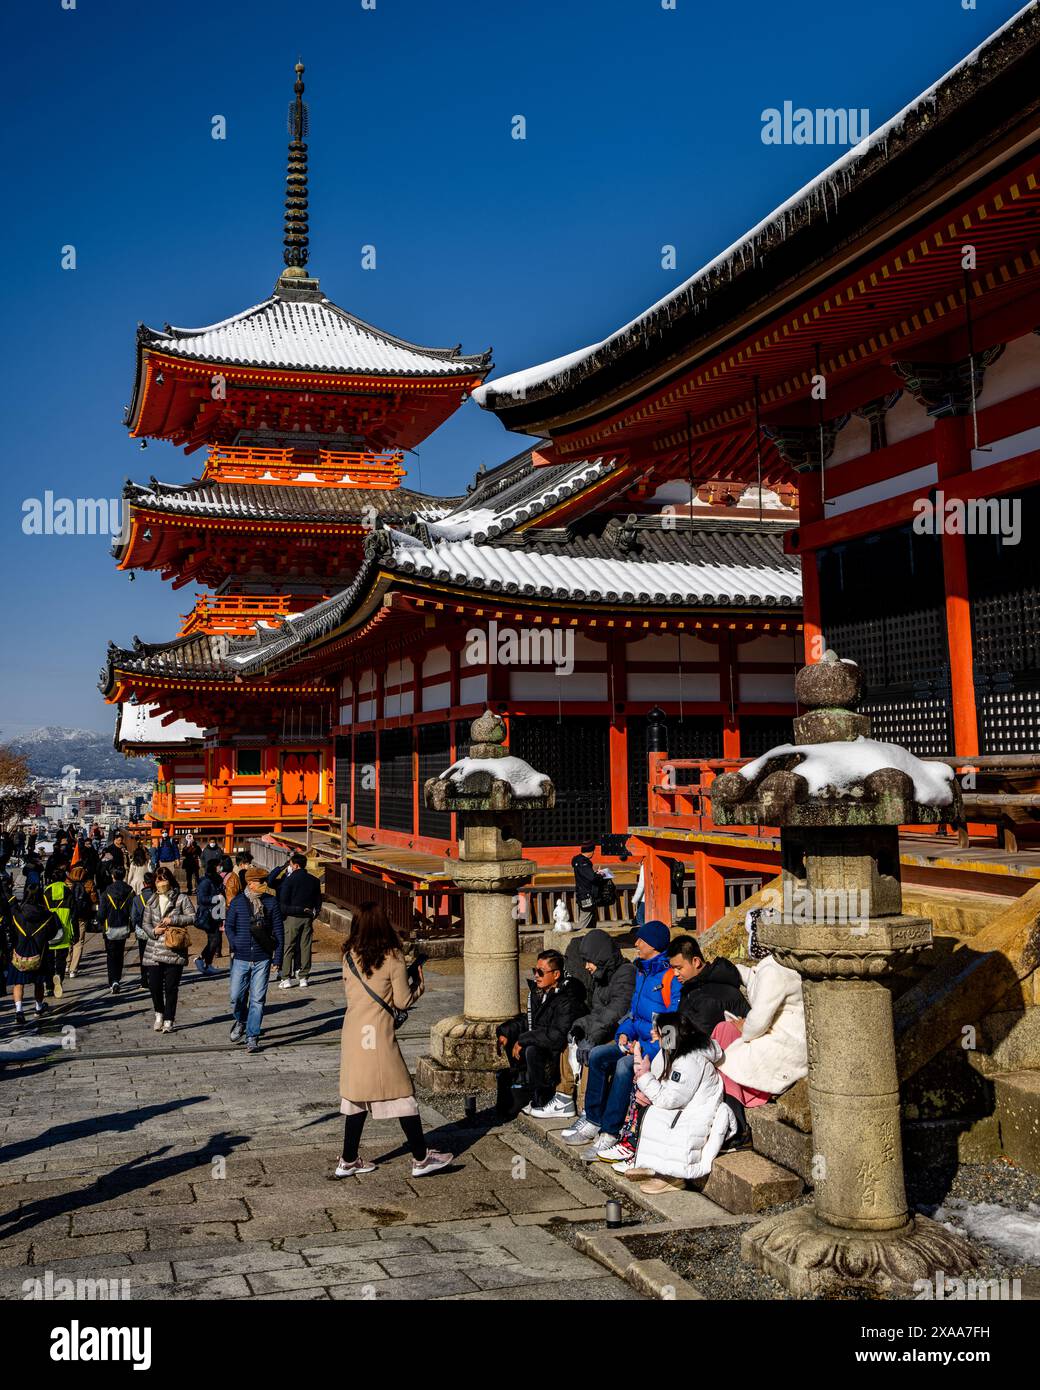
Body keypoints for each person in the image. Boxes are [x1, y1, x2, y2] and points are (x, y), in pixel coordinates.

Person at [337, 903, 451, 1179]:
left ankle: (349, 1159)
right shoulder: (393, 956)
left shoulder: (349, 955)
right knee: (402, 1093)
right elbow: (401, 1000)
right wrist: (418, 986)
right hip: (377, 1034)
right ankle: (421, 1158)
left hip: (353, 1030)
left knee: (357, 1097)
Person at [561, 919, 679, 1159]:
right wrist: (624, 1033)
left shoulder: (668, 977)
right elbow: (633, 1014)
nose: (635, 944)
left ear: (654, 945)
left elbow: (673, 1024)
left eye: (641, 940)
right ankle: (593, 1118)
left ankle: (611, 1131)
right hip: (636, 1042)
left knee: (625, 1066)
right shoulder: (642, 971)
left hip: (656, 1047)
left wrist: (650, 1047)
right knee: (598, 1055)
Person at [630, 1011, 736, 1194]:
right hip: (685, 1107)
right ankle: (656, 1166)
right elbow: (665, 1079)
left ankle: (672, 1177)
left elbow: (669, 1099)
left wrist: (644, 1077)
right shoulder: (679, 1052)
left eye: (660, 1031)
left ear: (671, 1033)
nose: (654, 1034)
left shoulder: (689, 1061)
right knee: (655, 1112)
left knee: (658, 1113)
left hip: (693, 1114)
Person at [718, 908, 808, 1105]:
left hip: (786, 1041)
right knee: (726, 1042)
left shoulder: (773, 970)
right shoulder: (778, 963)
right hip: (789, 1036)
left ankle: (735, 1112)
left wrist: (745, 1030)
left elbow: (758, 1021)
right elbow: (755, 979)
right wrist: (733, 971)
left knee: (728, 1063)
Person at [497, 949, 586, 1118]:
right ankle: (525, 1092)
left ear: (556, 974)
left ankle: (543, 1098)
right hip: (547, 1041)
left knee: (531, 1049)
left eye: (540, 972)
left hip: (558, 1051)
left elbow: (557, 1035)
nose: (536, 976)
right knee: (514, 1038)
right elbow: (532, 1021)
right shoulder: (540, 993)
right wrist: (506, 1031)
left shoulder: (567, 998)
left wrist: (523, 1039)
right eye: (534, 971)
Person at [558, 928, 636, 1110]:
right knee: (569, 1043)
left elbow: (615, 1012)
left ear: (600, 957)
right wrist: (579, 1026)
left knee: (592, 1053)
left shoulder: (626, 973)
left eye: (589, 961)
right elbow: (597, 1013)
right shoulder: (602, 979)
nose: (586, 966)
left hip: (621, 1033)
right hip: (606, 1029)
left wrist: (592, 1038)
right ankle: (564, 1097)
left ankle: (586, 1108)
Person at [224, 867, 283, 1054]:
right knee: (236, 997)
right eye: (261, 881)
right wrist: (235, 943)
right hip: (241, 956)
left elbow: (278, 932)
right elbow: (229, 926)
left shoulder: (271, 902)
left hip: (262, 957)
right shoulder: (238, 903)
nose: (264, 884)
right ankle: (241, 1020)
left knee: (257, 999)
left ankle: (252, 1035)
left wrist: (278, 958)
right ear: (251, 883)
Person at [140, 865, 193, 1032]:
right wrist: (153, 931)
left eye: (163, 879)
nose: (160, 882)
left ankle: (169, 1019)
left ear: (170, 880)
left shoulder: (181, 898)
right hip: (154, 949)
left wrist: (174, 920)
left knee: (171, 987)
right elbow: (145, 923)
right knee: (154, 986)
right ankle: (159, 1013)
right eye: (158, 879)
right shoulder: (151, 900)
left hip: (173, 948)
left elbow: (192, 917)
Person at [268, 853, 322, 988]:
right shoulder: (314, 880)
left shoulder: (289, 880)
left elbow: (283, 903)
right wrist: (313, 913)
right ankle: (303, 977)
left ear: (295, 865)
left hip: (292, 916)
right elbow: (318, 901)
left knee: (288, 947)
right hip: (308, 917)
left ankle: (286, 978)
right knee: (306, 947)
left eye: (290, 864)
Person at [6, 898, 56, 1025]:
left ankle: (19, 1011)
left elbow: (11, 932)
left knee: (18, 983)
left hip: (20, 954)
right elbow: (52, 933)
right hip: (38, 954)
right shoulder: (46, 916)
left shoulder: (18, 915)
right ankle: (38, 1007)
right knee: (38, 983)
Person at [97, 864, 134, 993]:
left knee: (111, 955)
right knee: (120, 954)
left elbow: (101, 913)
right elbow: (132, 911)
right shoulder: (129, 891)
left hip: (109, 927)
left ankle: (113, 981)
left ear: (113, 876)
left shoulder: (106, 892)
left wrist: (100, 921)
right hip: (123, 925)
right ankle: (117, 978)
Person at [42, 869, 74, 998]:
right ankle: (59, 978)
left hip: (49, 930)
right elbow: (74, 912)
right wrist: (75, 932)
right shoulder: (67, 891)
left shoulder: (46, 891)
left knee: (48, 960)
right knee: (61, 959)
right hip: (64, 929)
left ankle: (49, 986)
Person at [66, 860, 98, 978]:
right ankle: (73, 969)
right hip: (82, 915)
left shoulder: (67, 881)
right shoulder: (88, 882)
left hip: (69, 914)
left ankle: (67, 963)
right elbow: (94, 899)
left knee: (69, 938)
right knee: (79, 941)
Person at [193, 861, 225, 975]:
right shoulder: (206, 881)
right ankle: (203, 960)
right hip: (207, 914)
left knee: (214, 939)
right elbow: (201, 899)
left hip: (215, 914)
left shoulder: (216, 880)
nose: (220, 868)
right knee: (214, 939)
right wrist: (216, 897)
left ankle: (206, 962)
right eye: (218, 866)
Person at [131, 872, 157, 988]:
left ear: (143, 883)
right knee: (155, 955)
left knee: (143, 956)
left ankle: (144, 980)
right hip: (155, 929)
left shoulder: (137, 899)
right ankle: (155, 978)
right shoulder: (157, 896)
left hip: (142, 931)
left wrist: (137, 926)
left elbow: (134, 916)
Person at [571, 841, 602, 932]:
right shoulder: (583, 863)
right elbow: (592, 877)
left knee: (591, 919)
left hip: (583, 893)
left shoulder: (578, 861)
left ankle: (590, 939)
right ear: (590, 851)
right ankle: (577, 938)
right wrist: (600, 875)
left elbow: (587, 876)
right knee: (584, 920)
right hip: (586, 895)